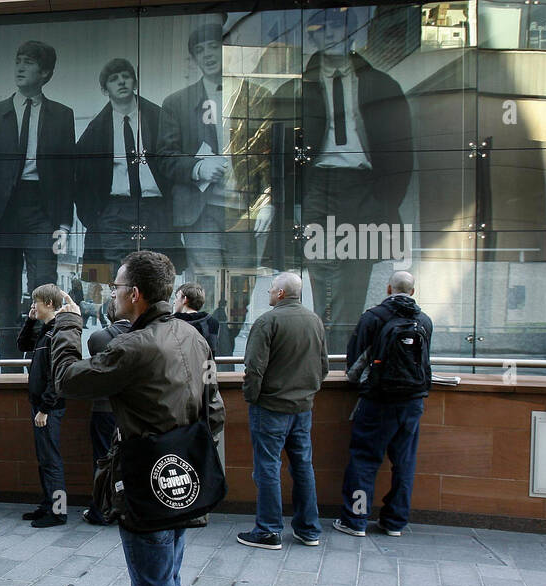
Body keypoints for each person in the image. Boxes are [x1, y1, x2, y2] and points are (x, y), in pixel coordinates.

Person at [49, 250, 224, 586]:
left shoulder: (135, 346)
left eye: (117, 285)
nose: (112, 292)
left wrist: (67, 323)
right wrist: (185, 458)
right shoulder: (193, 336)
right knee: (166, 583)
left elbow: (68, 379)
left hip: (147, 484)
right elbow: (214, 412)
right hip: (179, 480)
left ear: (136, 294)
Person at [277, 6, 413, 354]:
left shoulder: (381, 84)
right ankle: (319, 354)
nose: (331, 35)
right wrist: (286, 201)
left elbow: (401, 152)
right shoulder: (297, 88)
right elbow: (276, 154)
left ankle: (340, 356)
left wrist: (384, 202)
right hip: (317, 184)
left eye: (338, 28)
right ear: (312, 38)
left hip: (363, 185)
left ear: (353, 34)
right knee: (319, 274)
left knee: (354, 276)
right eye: (321, 29)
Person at [0, 40, 75, 361]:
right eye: (17, 61)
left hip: (42, 210)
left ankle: (40, 362)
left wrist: (64, 223)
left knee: (44, 290)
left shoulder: (63, 116)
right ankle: (10, 368)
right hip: (0, 214)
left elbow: (67, 174)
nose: (20, 67)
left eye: (29, 63)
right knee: (5, 293)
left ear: (46, 72)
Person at [158, 23, 274, 322]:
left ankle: (222, 351)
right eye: (200, 50)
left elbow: (273, 155)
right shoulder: (177, 103)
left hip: (243, 210)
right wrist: (197, 166)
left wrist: (269, 199)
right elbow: (165, 158)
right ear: (193, 58)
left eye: (214, 47)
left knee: (240, 290)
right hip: (202, 211)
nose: (207, 54)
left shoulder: (257, 96)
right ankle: (207, 352)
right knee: (205, 288)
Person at [335, 271, 433, 538]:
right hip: (412, 403)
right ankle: (395, 522)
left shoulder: (372, 318)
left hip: (378, 401)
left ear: (389, 288)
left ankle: (355, 519)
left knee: (364, 460)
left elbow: (354, 361)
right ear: (412, 291)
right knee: (404, 462)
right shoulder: (424, 320)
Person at [239, 272, 329, 550]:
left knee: (268, 467)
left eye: (270, 290)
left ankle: (268, 530)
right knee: (303, 466)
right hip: (302, 407)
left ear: (279, 293)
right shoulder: (314, 320)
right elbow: (323, 365)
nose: (268, 294)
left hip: (270, 407)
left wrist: (251, 397)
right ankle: (309, 529)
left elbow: (254, 368)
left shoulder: (268, 321)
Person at [74, 58, 181, 286]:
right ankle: (124, 321)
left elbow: (173, 161)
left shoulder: (158, 117)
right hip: (114, 212)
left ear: (134, 81)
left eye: (126, 76)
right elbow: (81, 180)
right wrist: (97, 218)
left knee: (158, 276)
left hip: (156, 209)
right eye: (113, 79)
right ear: (105, 89)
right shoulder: (94, 131)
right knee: (119, 278)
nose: (121, 82)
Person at [16, 283, 68, 527]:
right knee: (45, 458)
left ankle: (58, 512)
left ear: (48, 304)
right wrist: (29, 321)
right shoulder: (46, 330)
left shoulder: (58, 332)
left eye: (36, 302)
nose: (33, 306)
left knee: (52, 460)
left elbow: (58, 375)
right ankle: (48, 505)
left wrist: (46, 408)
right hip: (40, 405)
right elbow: (22, 345)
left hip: (48, 408)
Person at [82, 305, 134, 526]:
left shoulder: (99, 338)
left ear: (108, 315)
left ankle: (101, 509)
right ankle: (127, 508)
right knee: (130, 460)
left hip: (104, 409)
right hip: (132, 411)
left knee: (103, 459)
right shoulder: (142, 336)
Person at [172, 282, 220, 356]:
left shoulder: (172, 323)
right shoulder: (212, 323)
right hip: (204, 366)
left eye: (177, 297)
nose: (174, 301)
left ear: (184, 299)